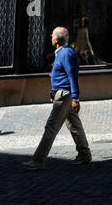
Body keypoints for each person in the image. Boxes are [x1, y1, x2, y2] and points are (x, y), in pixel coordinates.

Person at [23, 26, 91, 169]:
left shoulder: (66, 53)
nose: (50, 36)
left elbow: (73, 76)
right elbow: (62, 75)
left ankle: (38, 160)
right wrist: (54, 93)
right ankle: (84, 154)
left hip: (65, 95)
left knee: (51, 127)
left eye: (52, 35)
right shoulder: (61, 53)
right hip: (62, 93)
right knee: (74, 124)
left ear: (57, 39)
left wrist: (75, 99)